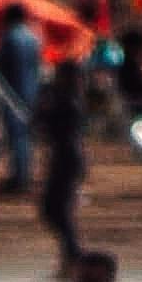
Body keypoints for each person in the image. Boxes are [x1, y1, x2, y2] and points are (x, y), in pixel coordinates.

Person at [36, 55, 87, 270]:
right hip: (63, 157)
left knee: (55, 208)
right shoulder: (61, 98)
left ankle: (73, 254)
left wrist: (43, 113)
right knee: (53, 209)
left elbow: (51, 125)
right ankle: (70, 253)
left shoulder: (69, 101)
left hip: (67, 159)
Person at [0, 0, 43, 194]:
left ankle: (19, 177)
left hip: (12, 92)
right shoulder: (33, 38)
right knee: (26, 135)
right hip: (31, 92)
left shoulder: (8, 38)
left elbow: (0, 68)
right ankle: (25, 174)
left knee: (16, 135)